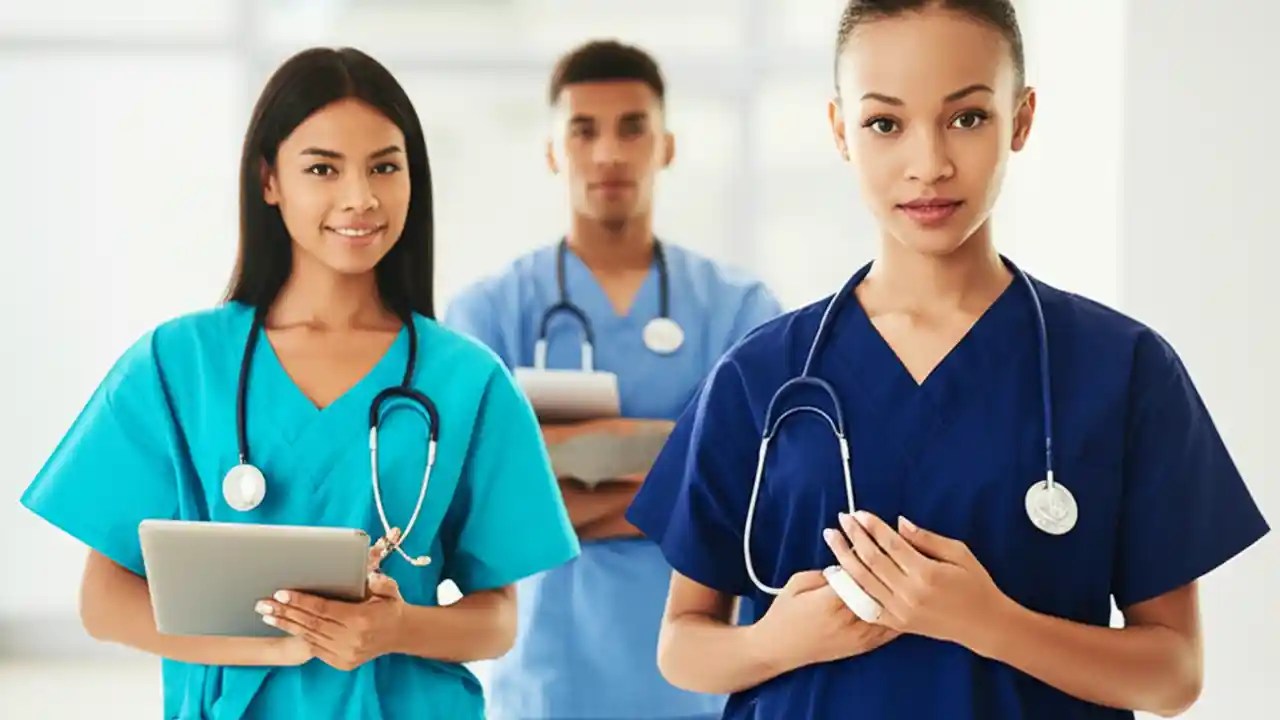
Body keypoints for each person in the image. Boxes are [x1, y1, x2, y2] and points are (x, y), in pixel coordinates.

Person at [625, 2, 1271, 718]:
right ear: (842, 130)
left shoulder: (1124, 371)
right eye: (884, 123)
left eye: (967, 118)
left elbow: (1173, 674)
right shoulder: (762, 377)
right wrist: (780, 641)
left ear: (1020, 119)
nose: (928, 164)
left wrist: (989, 623)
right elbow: (682, 645)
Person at [19, 47, 579, 720]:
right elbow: (104, 602)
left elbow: (497, 621)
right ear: (269, 180)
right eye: (322, 168)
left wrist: (394, 630)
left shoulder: (468, 381)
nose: (360, 198)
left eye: (384, 167)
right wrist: (276, 645)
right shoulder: (179, 364)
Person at [443, 39, 782, 720]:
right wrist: (677, 476)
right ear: (551, 151)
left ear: (667, 147)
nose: (608, 153)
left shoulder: (742, 309)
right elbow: (483, 511)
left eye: (633, 128)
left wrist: (561, 473)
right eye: (583, 130)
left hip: (702, 684)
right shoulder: (489, 311)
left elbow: (753, 496)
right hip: (548, 681)